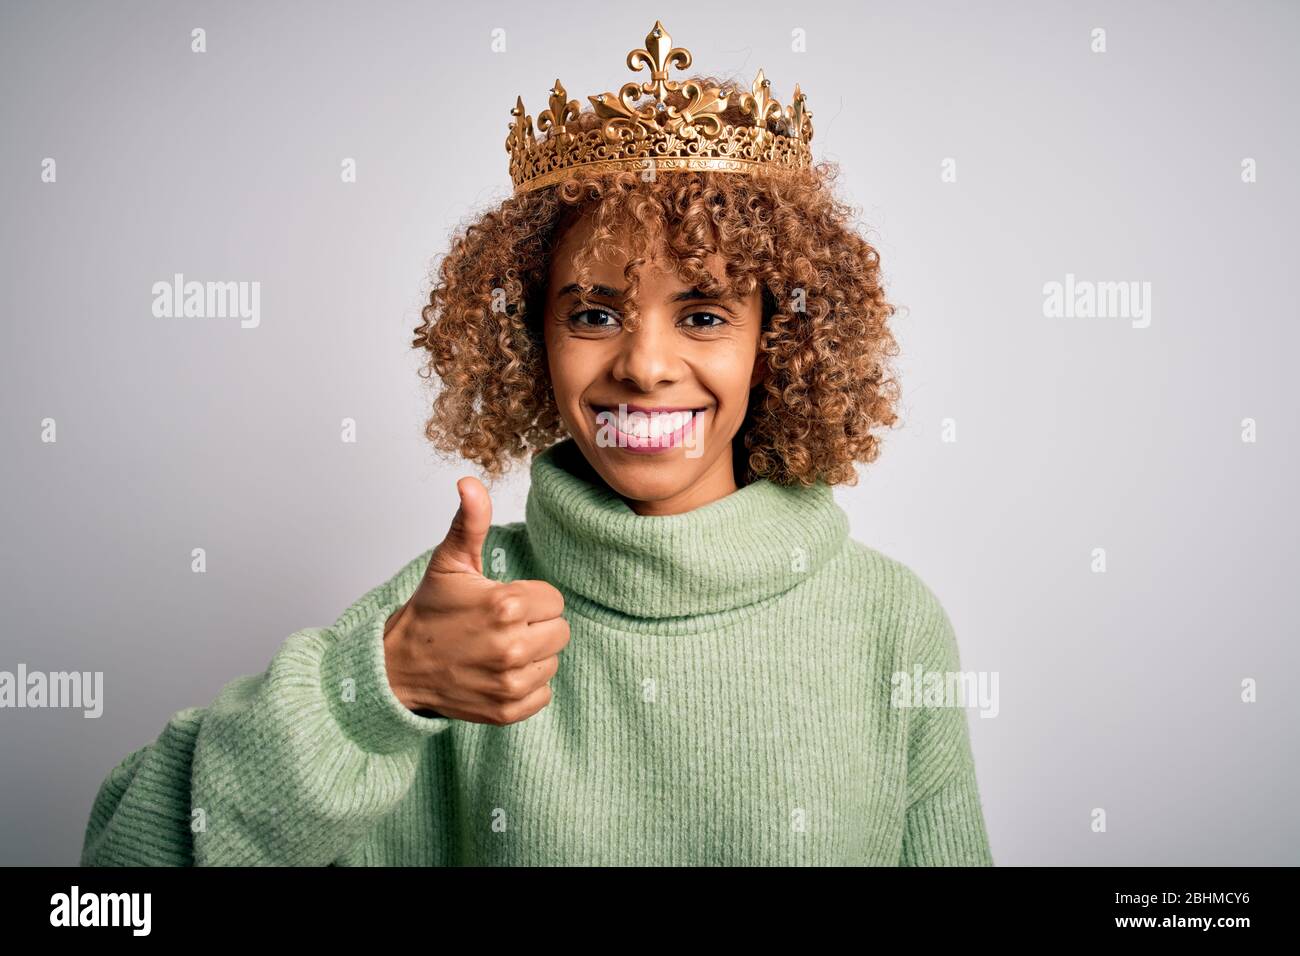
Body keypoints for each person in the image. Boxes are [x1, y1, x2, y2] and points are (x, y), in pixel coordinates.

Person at [81, 21, 993, 866]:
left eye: (704, 313)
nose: (644, 366)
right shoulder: (456, 624)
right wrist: (378, 690)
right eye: (594, 313)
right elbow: (115, 873)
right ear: (530, 341)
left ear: (777, 342)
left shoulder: (892, 623)